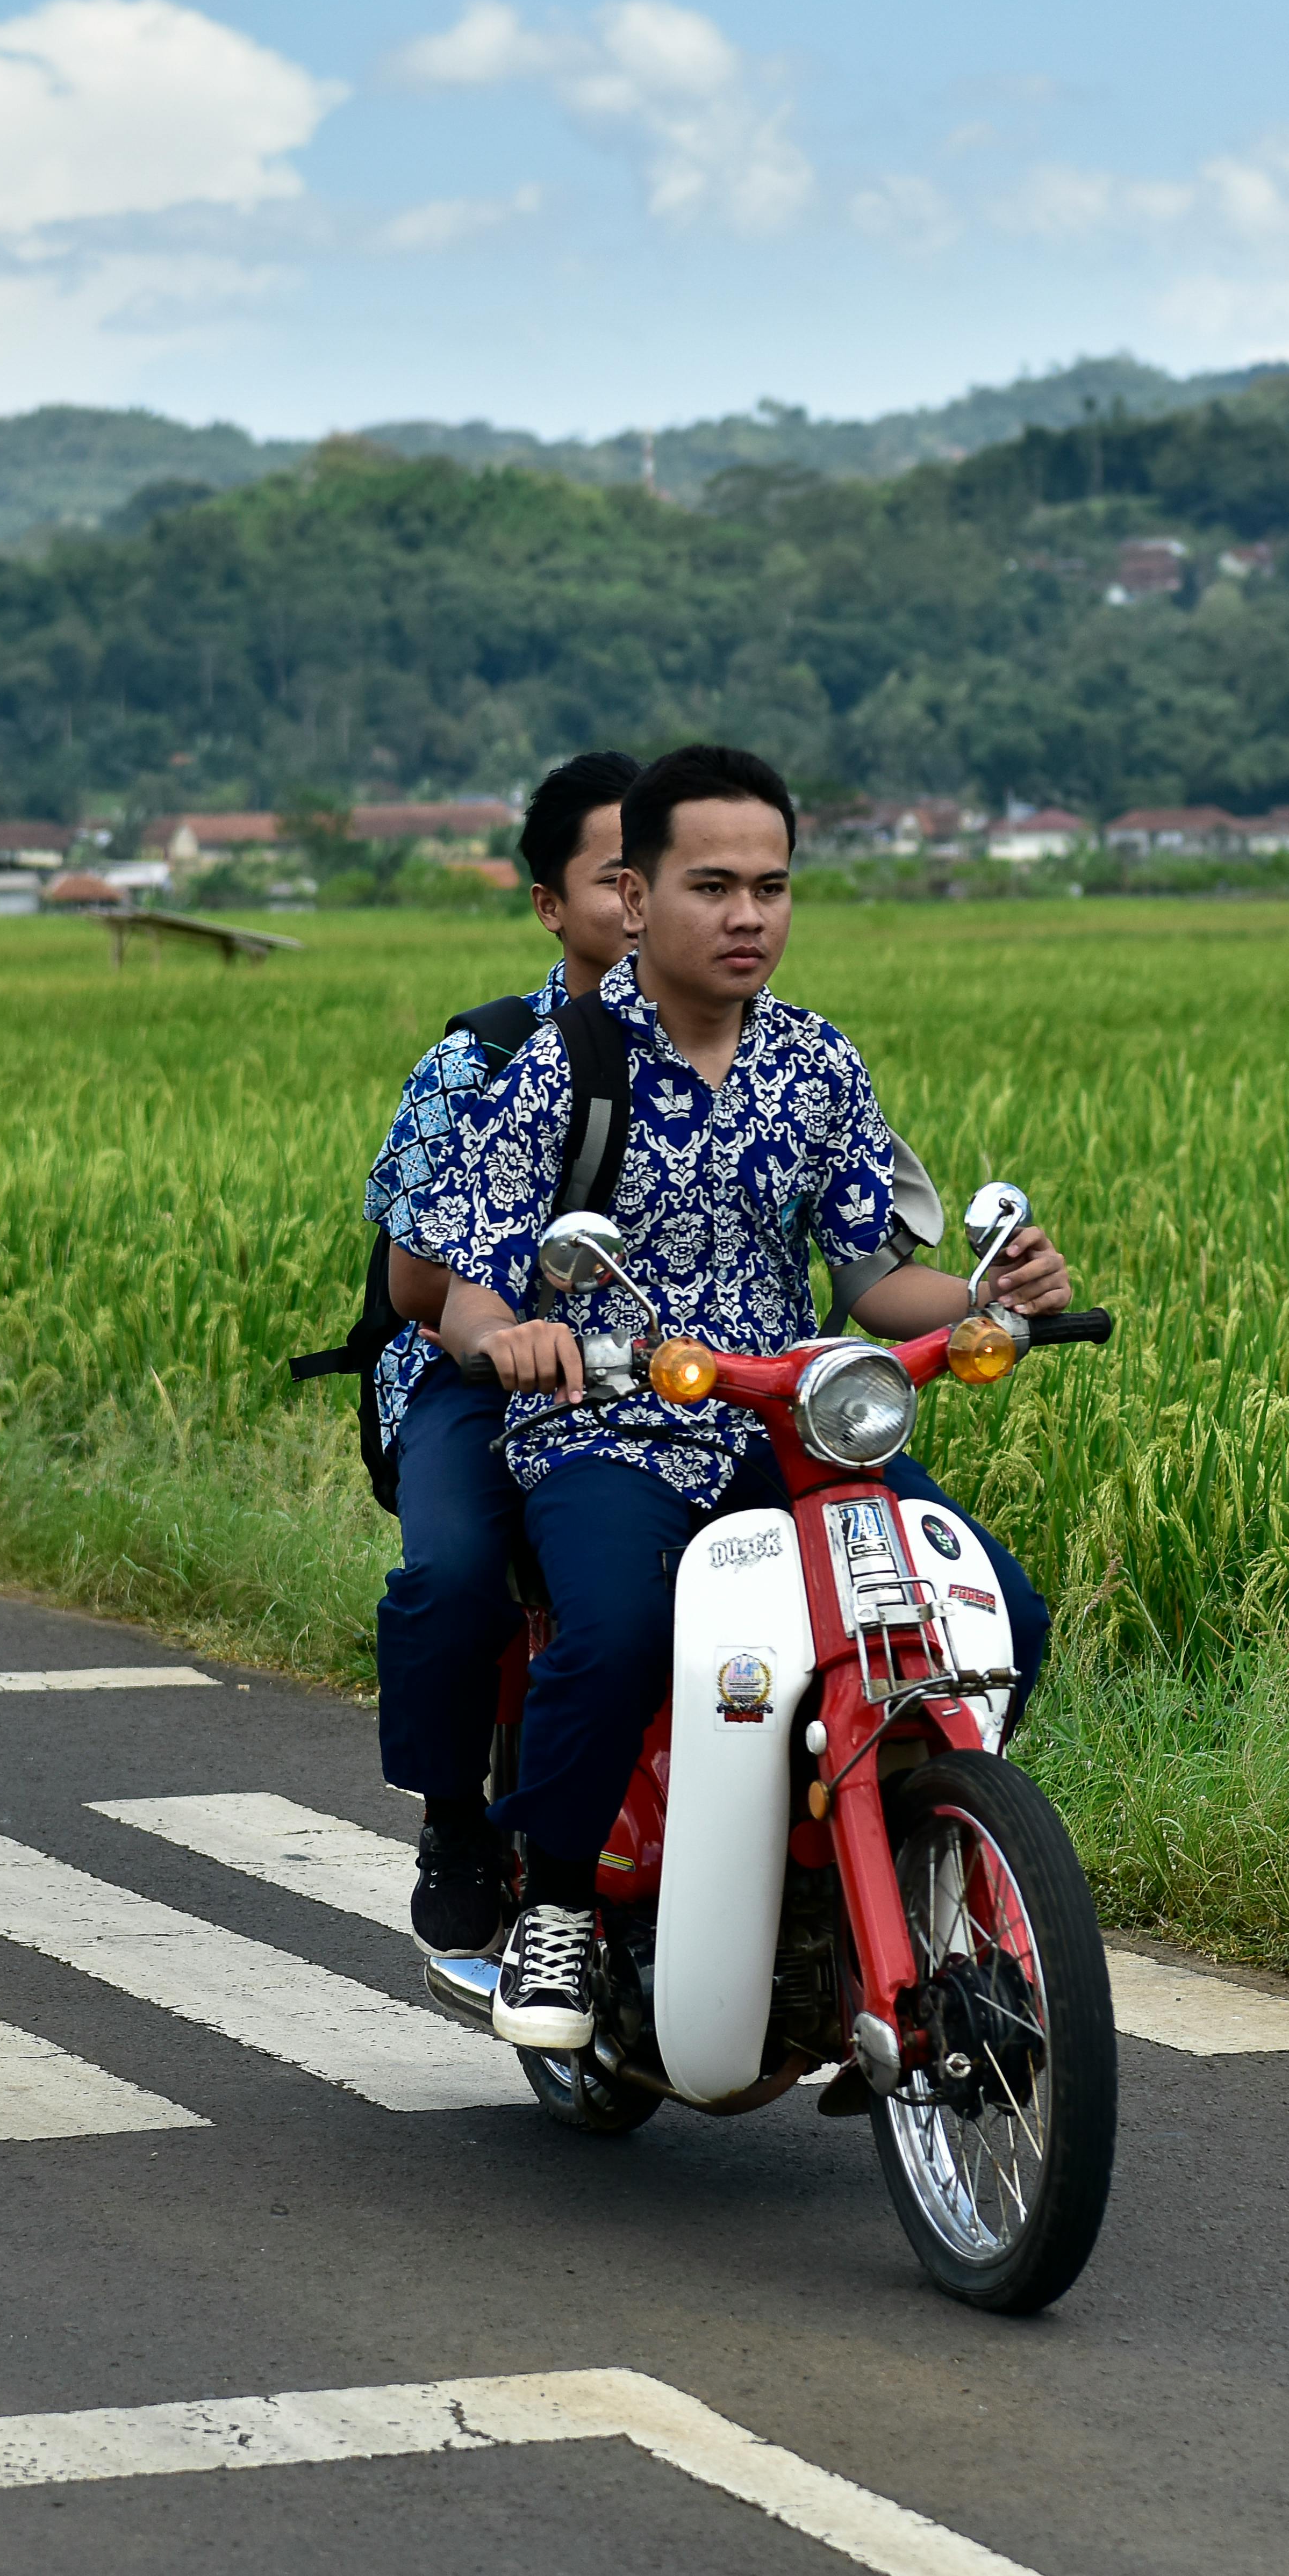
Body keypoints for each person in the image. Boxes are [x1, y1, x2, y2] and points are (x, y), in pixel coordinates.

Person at [425, 743, 1070, 2053]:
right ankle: (549, 1905)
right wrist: (518, 1340)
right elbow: (459, 1287)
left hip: (789, 1420)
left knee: (1000, 1611)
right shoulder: (560, 1064)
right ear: (634, 893)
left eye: (770, 887)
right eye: (710, 886)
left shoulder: (818, 1064)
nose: (746, 916)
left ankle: (893, 1856)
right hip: (610, 1423)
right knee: (610, 1630)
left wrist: (994, 1297)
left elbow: (874, 1276)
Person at [365, 751, 641, 1962]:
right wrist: (503, 1331)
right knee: (459, 1574)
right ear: (549, 903)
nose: (642, 906)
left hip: (662, 1387)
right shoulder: (480, 1059)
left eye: (663, 876)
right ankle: (458, 1820)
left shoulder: (747, 1051)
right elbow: (413, 1282)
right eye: (614, 877)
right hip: (471, 1378)